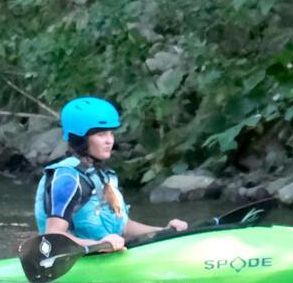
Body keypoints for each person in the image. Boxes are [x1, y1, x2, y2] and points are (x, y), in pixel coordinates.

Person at [31, 96, 187, 254]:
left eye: (111, 133)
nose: (109, 141)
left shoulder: (104, 176)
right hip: (77, 260)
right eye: (101, 135)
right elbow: (53, 236)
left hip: (106, 254)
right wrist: (97, 245)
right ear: (81, 139)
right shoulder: (67, 178)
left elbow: (123, 227)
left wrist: (164, 231)